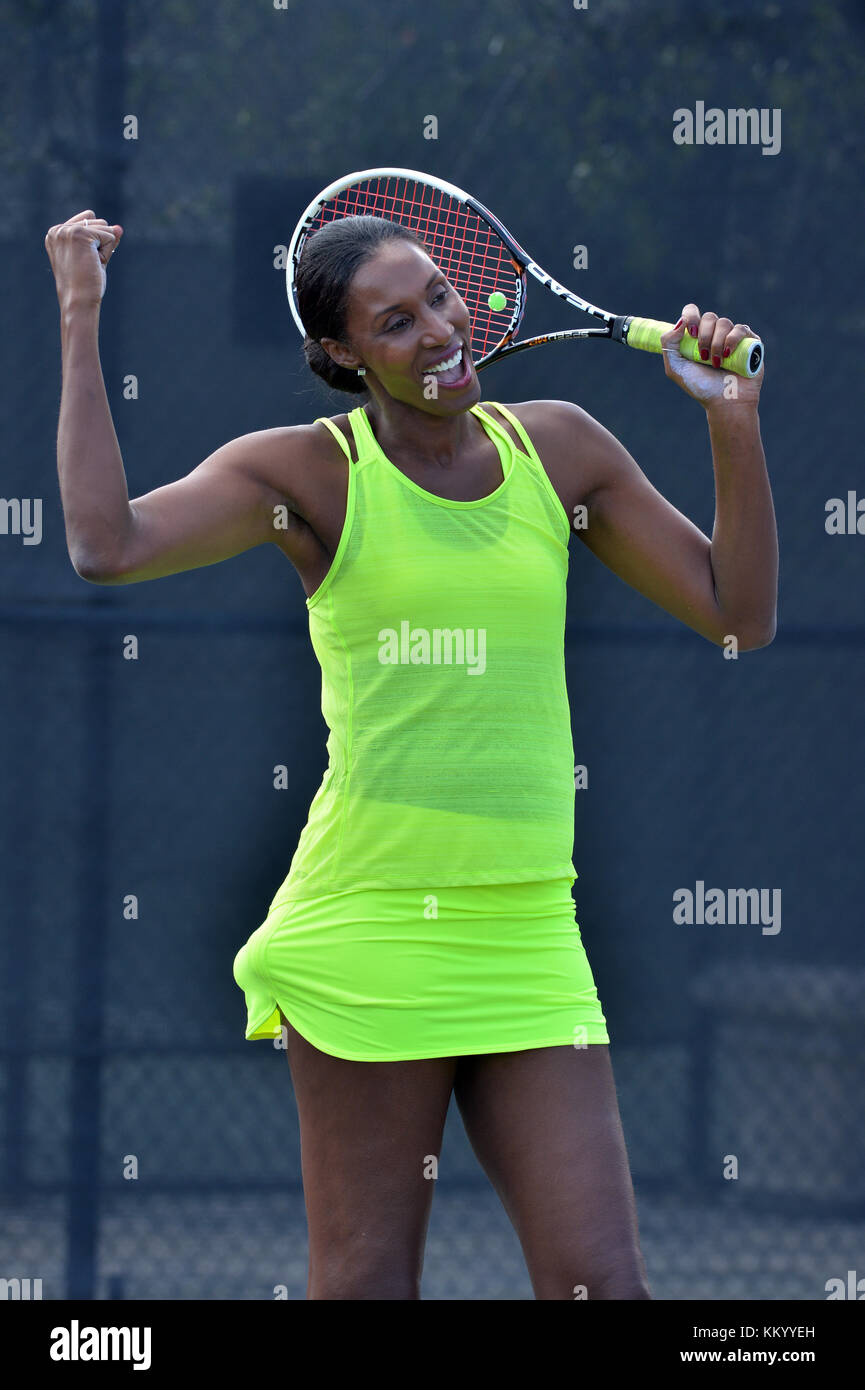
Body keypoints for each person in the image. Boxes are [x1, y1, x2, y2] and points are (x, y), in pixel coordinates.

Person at [45, 207, 777, 1301]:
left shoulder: (561, 447)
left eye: (441, 295)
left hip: (529, 932)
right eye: (395, 321)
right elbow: (108, 544)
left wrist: (731, 422)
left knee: (603, 1284)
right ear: (340, 354)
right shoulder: (309, 473)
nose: (440, 330)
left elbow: (736, 611)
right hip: (369, 927)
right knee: (367, 1283)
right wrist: (79, 314)